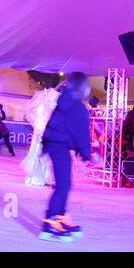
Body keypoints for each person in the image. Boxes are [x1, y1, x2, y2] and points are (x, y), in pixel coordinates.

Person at [39, 72, 92, 242]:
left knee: (64, 184)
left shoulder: (65, 101)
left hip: (56, 145)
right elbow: (81, 133)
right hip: (59, 146)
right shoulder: (77, 107)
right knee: (63, 186)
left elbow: (62, 127)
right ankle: (50, 223)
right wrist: (86, 153)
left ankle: (59, 217)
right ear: (82, 87)